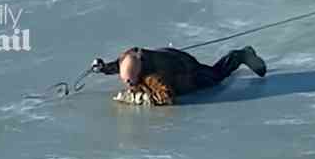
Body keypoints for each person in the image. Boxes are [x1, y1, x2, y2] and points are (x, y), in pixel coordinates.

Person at [91, 44, 266, 104]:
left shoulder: (154, 76)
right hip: (168, 55)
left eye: (130, 82)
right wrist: (104, 68)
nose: (128, 85)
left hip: (187, 69)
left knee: (215, 76)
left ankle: (240, 55)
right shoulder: (128, 58)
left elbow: (167, 96)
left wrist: (142, 99)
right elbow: (119, 65)